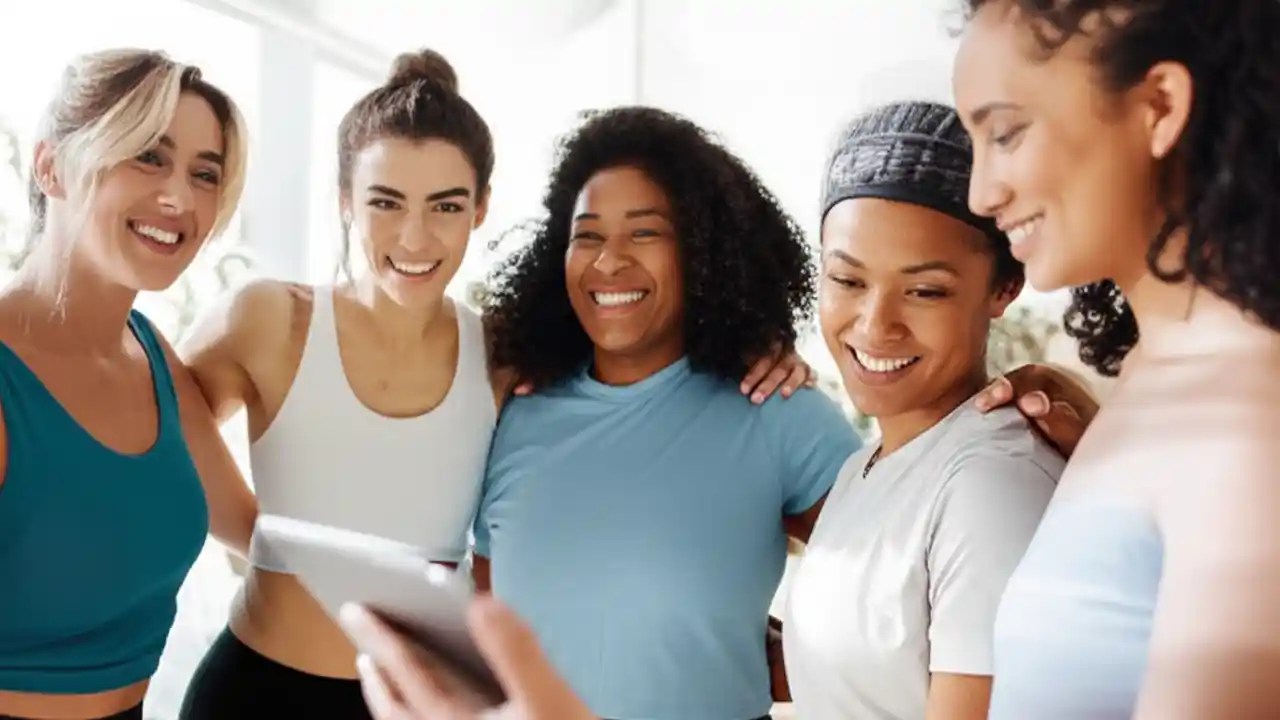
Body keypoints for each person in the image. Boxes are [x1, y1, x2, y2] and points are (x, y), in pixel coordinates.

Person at [176, 52, 805, 720]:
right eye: (385, 203)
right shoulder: (268, 320)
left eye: (445, 205)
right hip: (252, 692)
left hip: (421, 705)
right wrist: (267, 540)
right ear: (344, 201)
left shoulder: (503, 355)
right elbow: (154, 430)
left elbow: (644, 349)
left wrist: (755, 345)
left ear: (479, 210)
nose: (414, 236)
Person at [473, 106, 862, 720]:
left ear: (702, 253)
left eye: (645, 233)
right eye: (589, 235)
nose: (609, 261)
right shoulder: (511, 413)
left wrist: (800, 666)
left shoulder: (774, 410)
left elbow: (905, 577)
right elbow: (490, 628)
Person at [953, 1, 1280, 717]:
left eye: (1006, 134)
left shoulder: (1243, 421)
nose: (983, 192)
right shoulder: (1155, 385)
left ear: (1159, 105)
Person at [782, 100, 1063, 720]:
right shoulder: (866, 469)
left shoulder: (990, 483)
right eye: (848, 281)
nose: (875, 325)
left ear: (1003, 288)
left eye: (925, 291)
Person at [0, 49, 256, 720]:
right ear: (50, 165)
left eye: (206, 174)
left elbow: (256, 533)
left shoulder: (151, 353)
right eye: (148, 155)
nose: (179, 198)